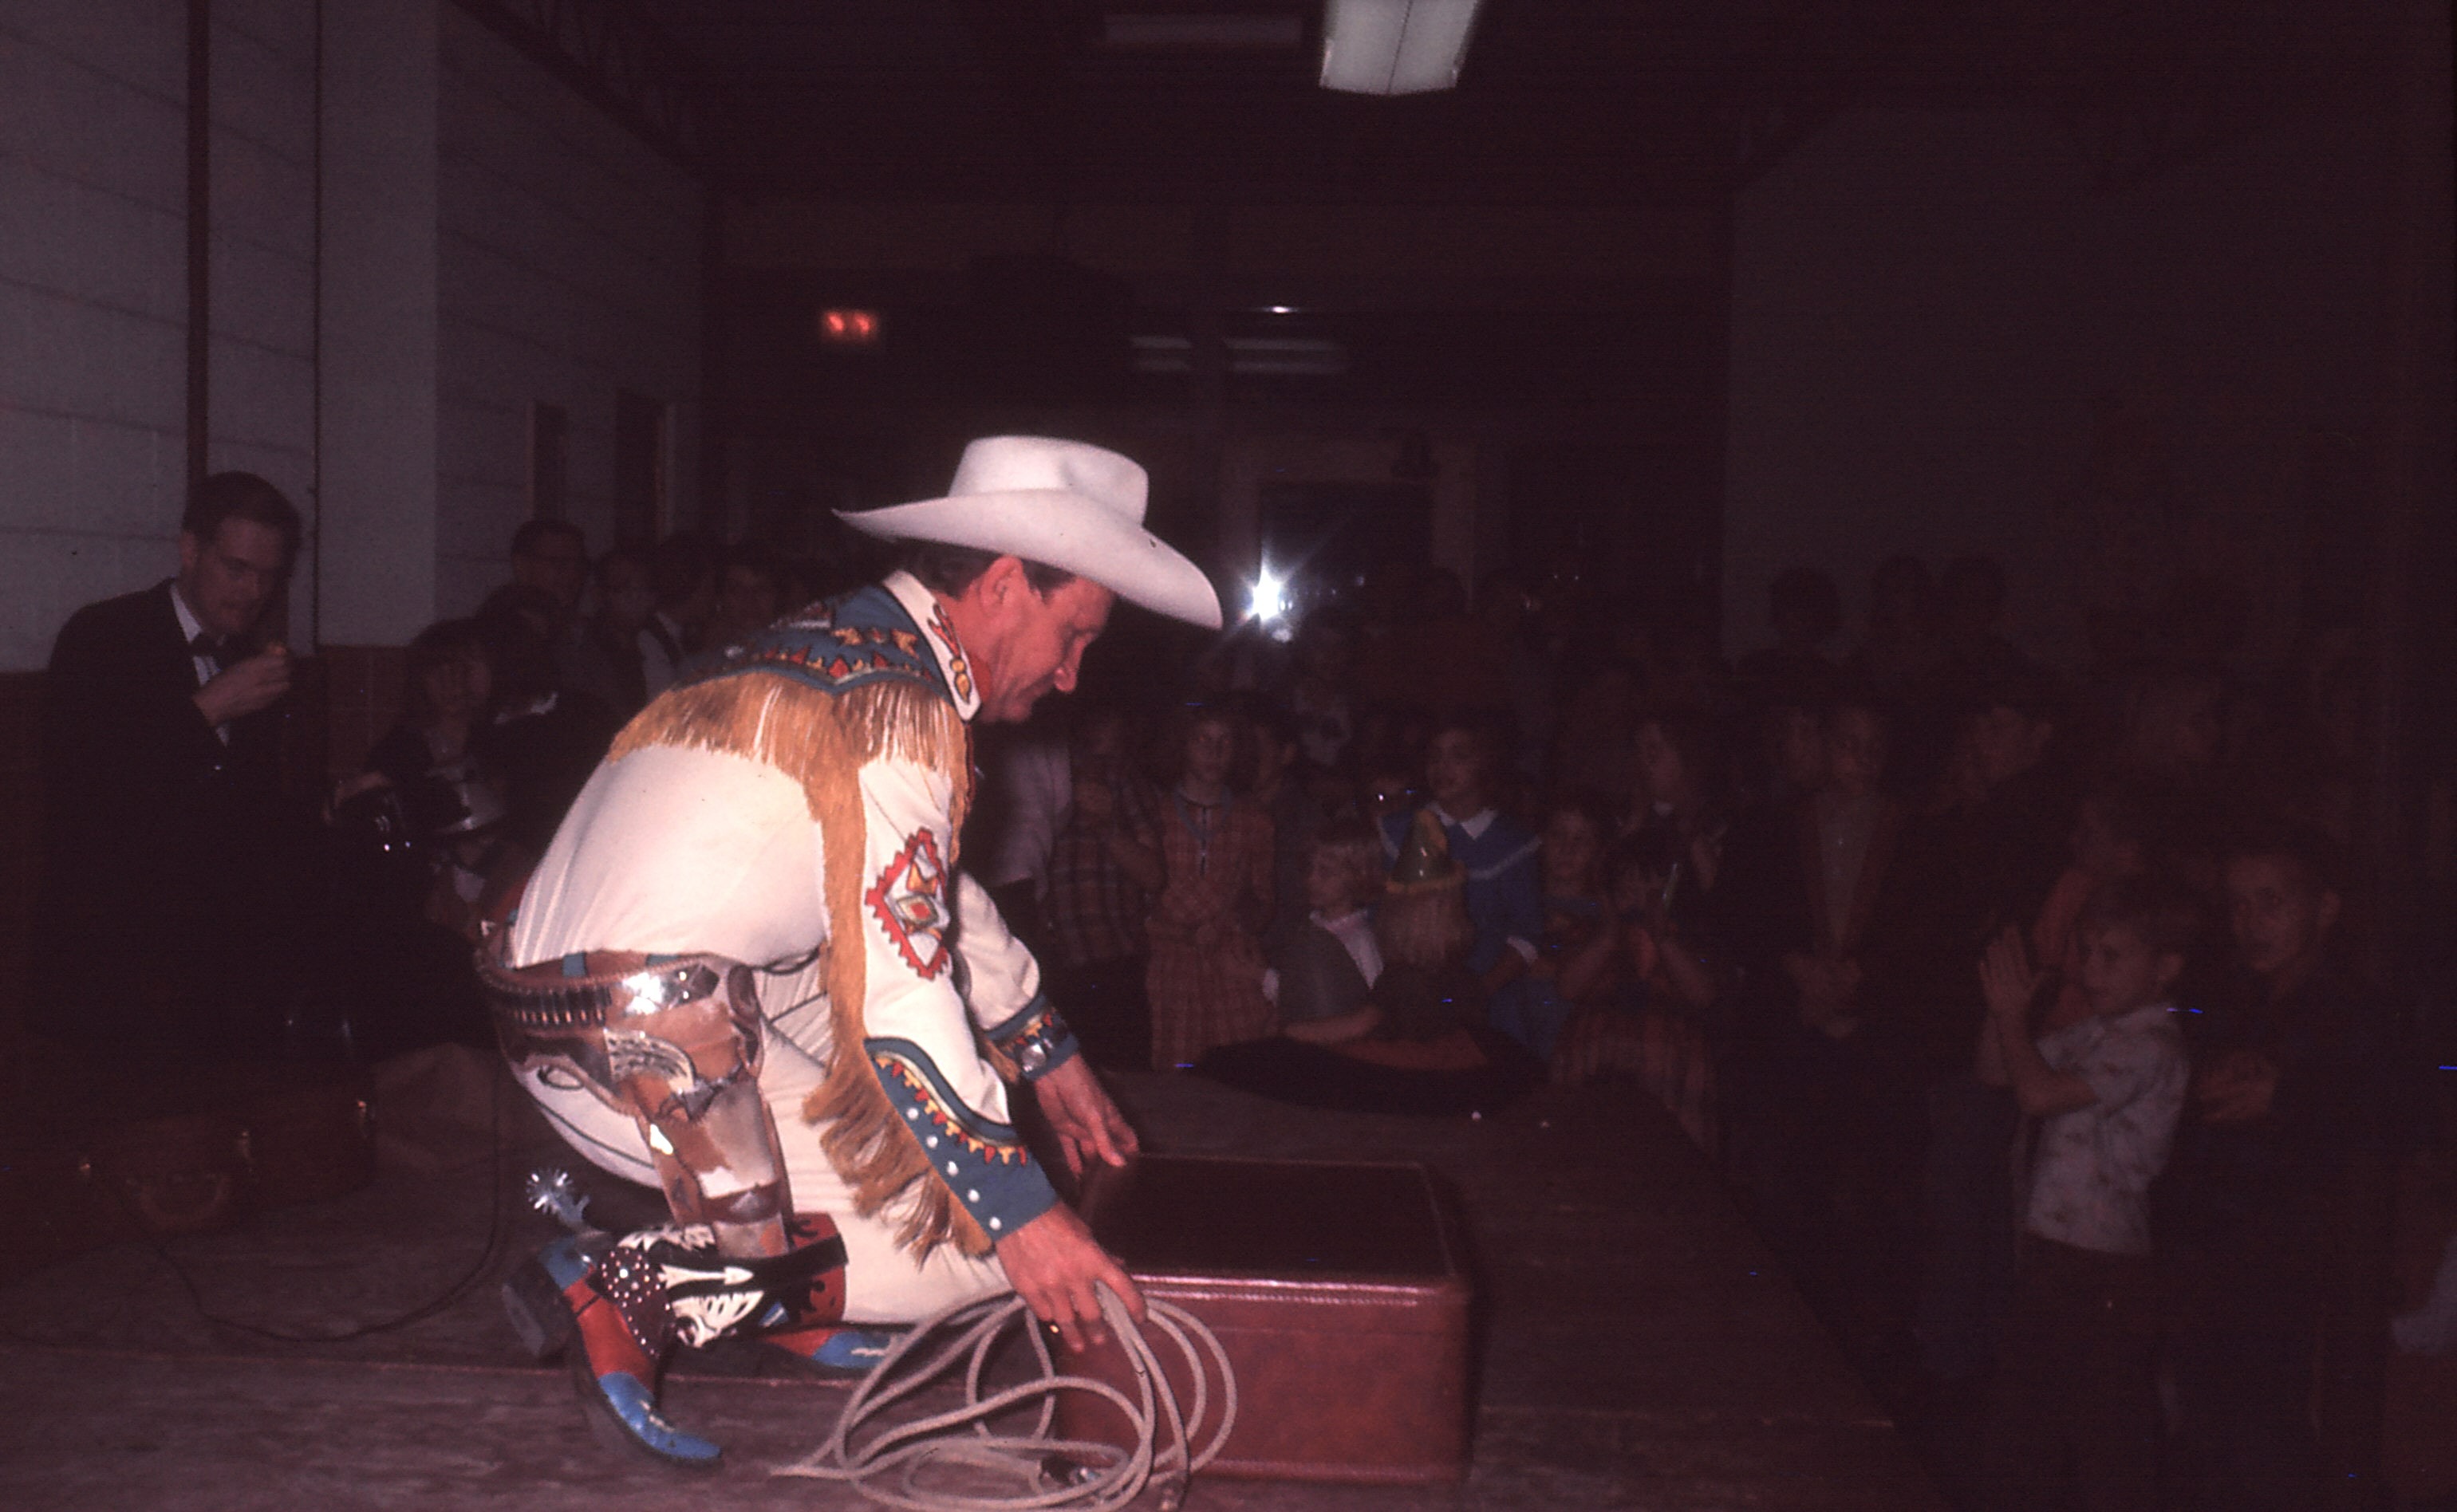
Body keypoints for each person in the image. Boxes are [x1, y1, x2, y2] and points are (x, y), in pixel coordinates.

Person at [484, 437, 1221, 1467]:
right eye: (1073, 636)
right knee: (976, 1253)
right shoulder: (898, 709)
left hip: (587, 1007)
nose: (1071, 675)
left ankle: (793, 1297)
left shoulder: (838, 639)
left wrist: (1043, 1049)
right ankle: (638, 1287)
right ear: (1004, 585)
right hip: (645, 1045)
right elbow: (900, 988)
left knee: (968, 1158)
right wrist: (1019, 1214)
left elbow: (922, 888)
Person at [38, 471, 308, 1060]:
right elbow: (88, 788)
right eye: (236, 569)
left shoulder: (251, 658)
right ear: (190, 550)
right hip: (116, 946)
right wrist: (207, 709)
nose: (253, 591)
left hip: (215, 951)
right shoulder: (105, 635)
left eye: (269, 576)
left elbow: (250, 814)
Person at [1974, 874, 2196, 1512]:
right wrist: (2002, 1011)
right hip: (2054, 1255)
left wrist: (2013, 1020)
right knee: (2025, 1429)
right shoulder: (2096, 1031)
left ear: (2165, 967)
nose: (2091, 971)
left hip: (2104, 1271)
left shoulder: (2152, 1044)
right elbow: (1996, 1070)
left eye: (2111, 956)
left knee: (2107, 1442)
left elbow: (2039, 1094)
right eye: (2086, 953)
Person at [1138, 704, 1277, 1069]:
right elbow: (1136, 904)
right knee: (1177, 1071)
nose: (1214, 752)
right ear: (1181, 745)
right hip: (1168, 964)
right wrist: (1181, 933)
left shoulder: (1255, 820)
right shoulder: (1154, 813)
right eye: (1202, 740)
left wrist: (1237, 921)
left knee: (1243, 1067)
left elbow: (1264, 901)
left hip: (1229, 961)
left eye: (1225, 742)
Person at [1265, 817, 1386, 1041]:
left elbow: (1374, 1008)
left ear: (1358, 876)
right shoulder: (1308, 928)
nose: (1312, 879)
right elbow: (1297, 994)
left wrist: (1260, 976)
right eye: (1309, 868)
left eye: (1326, 872)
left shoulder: (1360, 940)